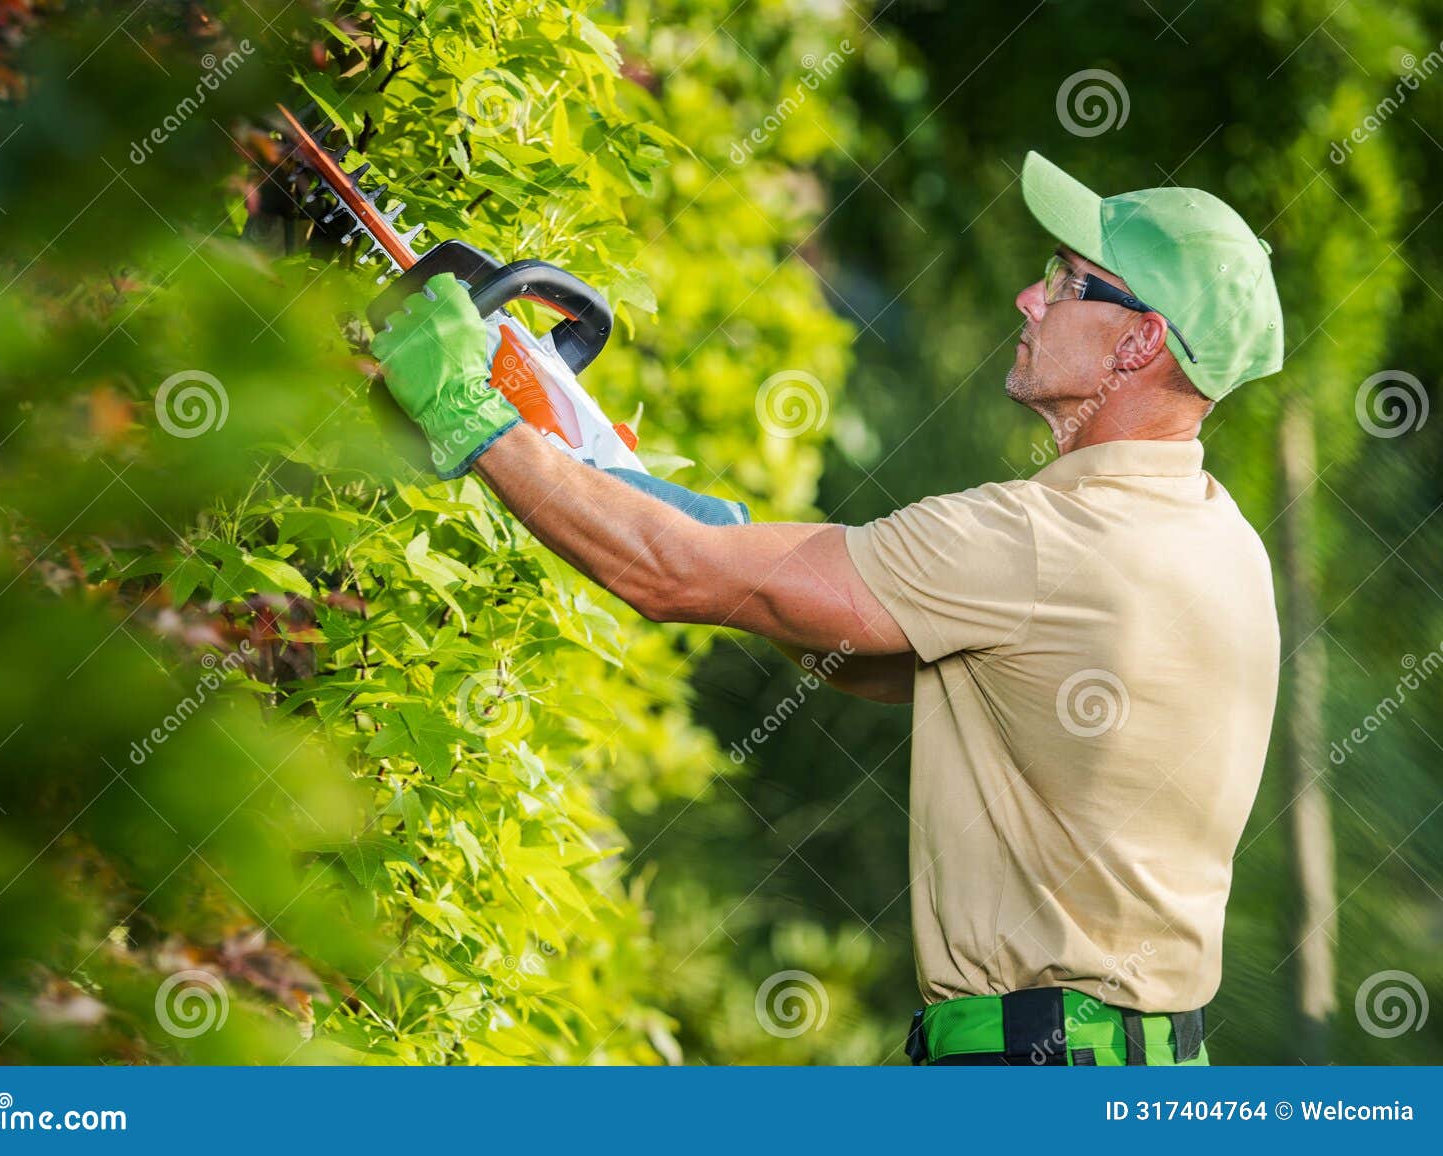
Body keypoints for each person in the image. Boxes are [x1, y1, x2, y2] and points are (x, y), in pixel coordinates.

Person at [369, 151, 1285, 1066]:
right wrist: (617, 476)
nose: (1029, 299)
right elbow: (849, 638)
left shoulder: (1042, 539)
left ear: (1138, 342)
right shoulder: (1222, 544)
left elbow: (674, 577)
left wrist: (468, 413)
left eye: (1068, 281)